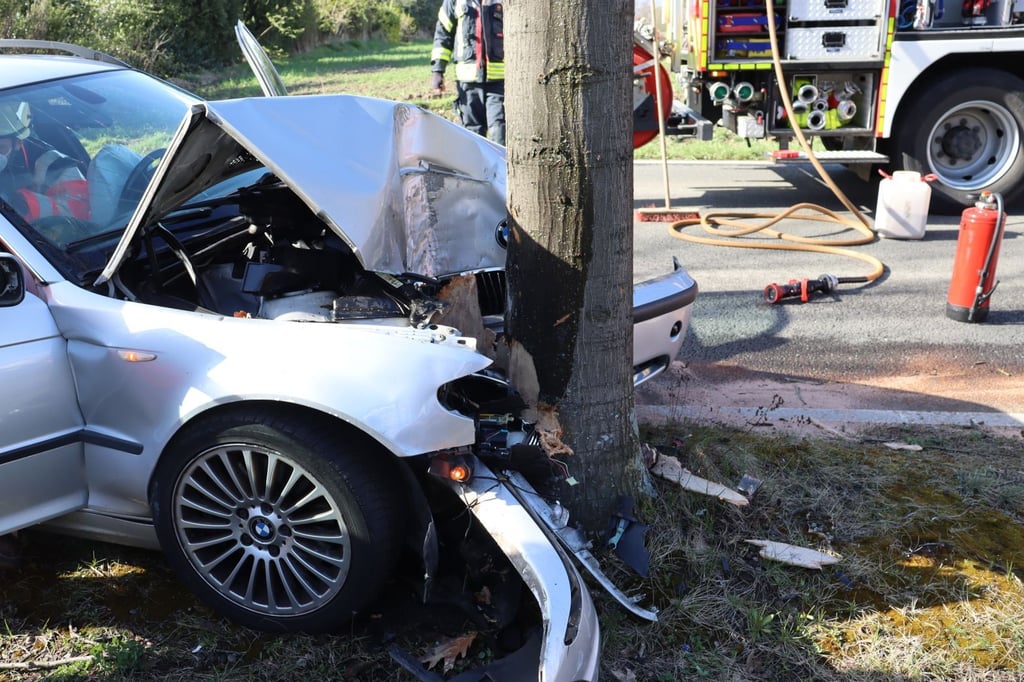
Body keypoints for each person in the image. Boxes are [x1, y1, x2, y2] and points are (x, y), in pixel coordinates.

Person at [430, 0, 506, 146]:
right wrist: (438, 70)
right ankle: (476, 169)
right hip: (467, 84)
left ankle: (502, 169)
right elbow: (442, 36)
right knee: (472, 137)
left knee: (500, 133)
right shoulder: (454, 2)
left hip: (499, 83)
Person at [0, 101, 89, 223]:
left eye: (0, 147)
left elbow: (77, 212)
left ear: (18, 142)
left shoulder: (53, 164)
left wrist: (19, 205)